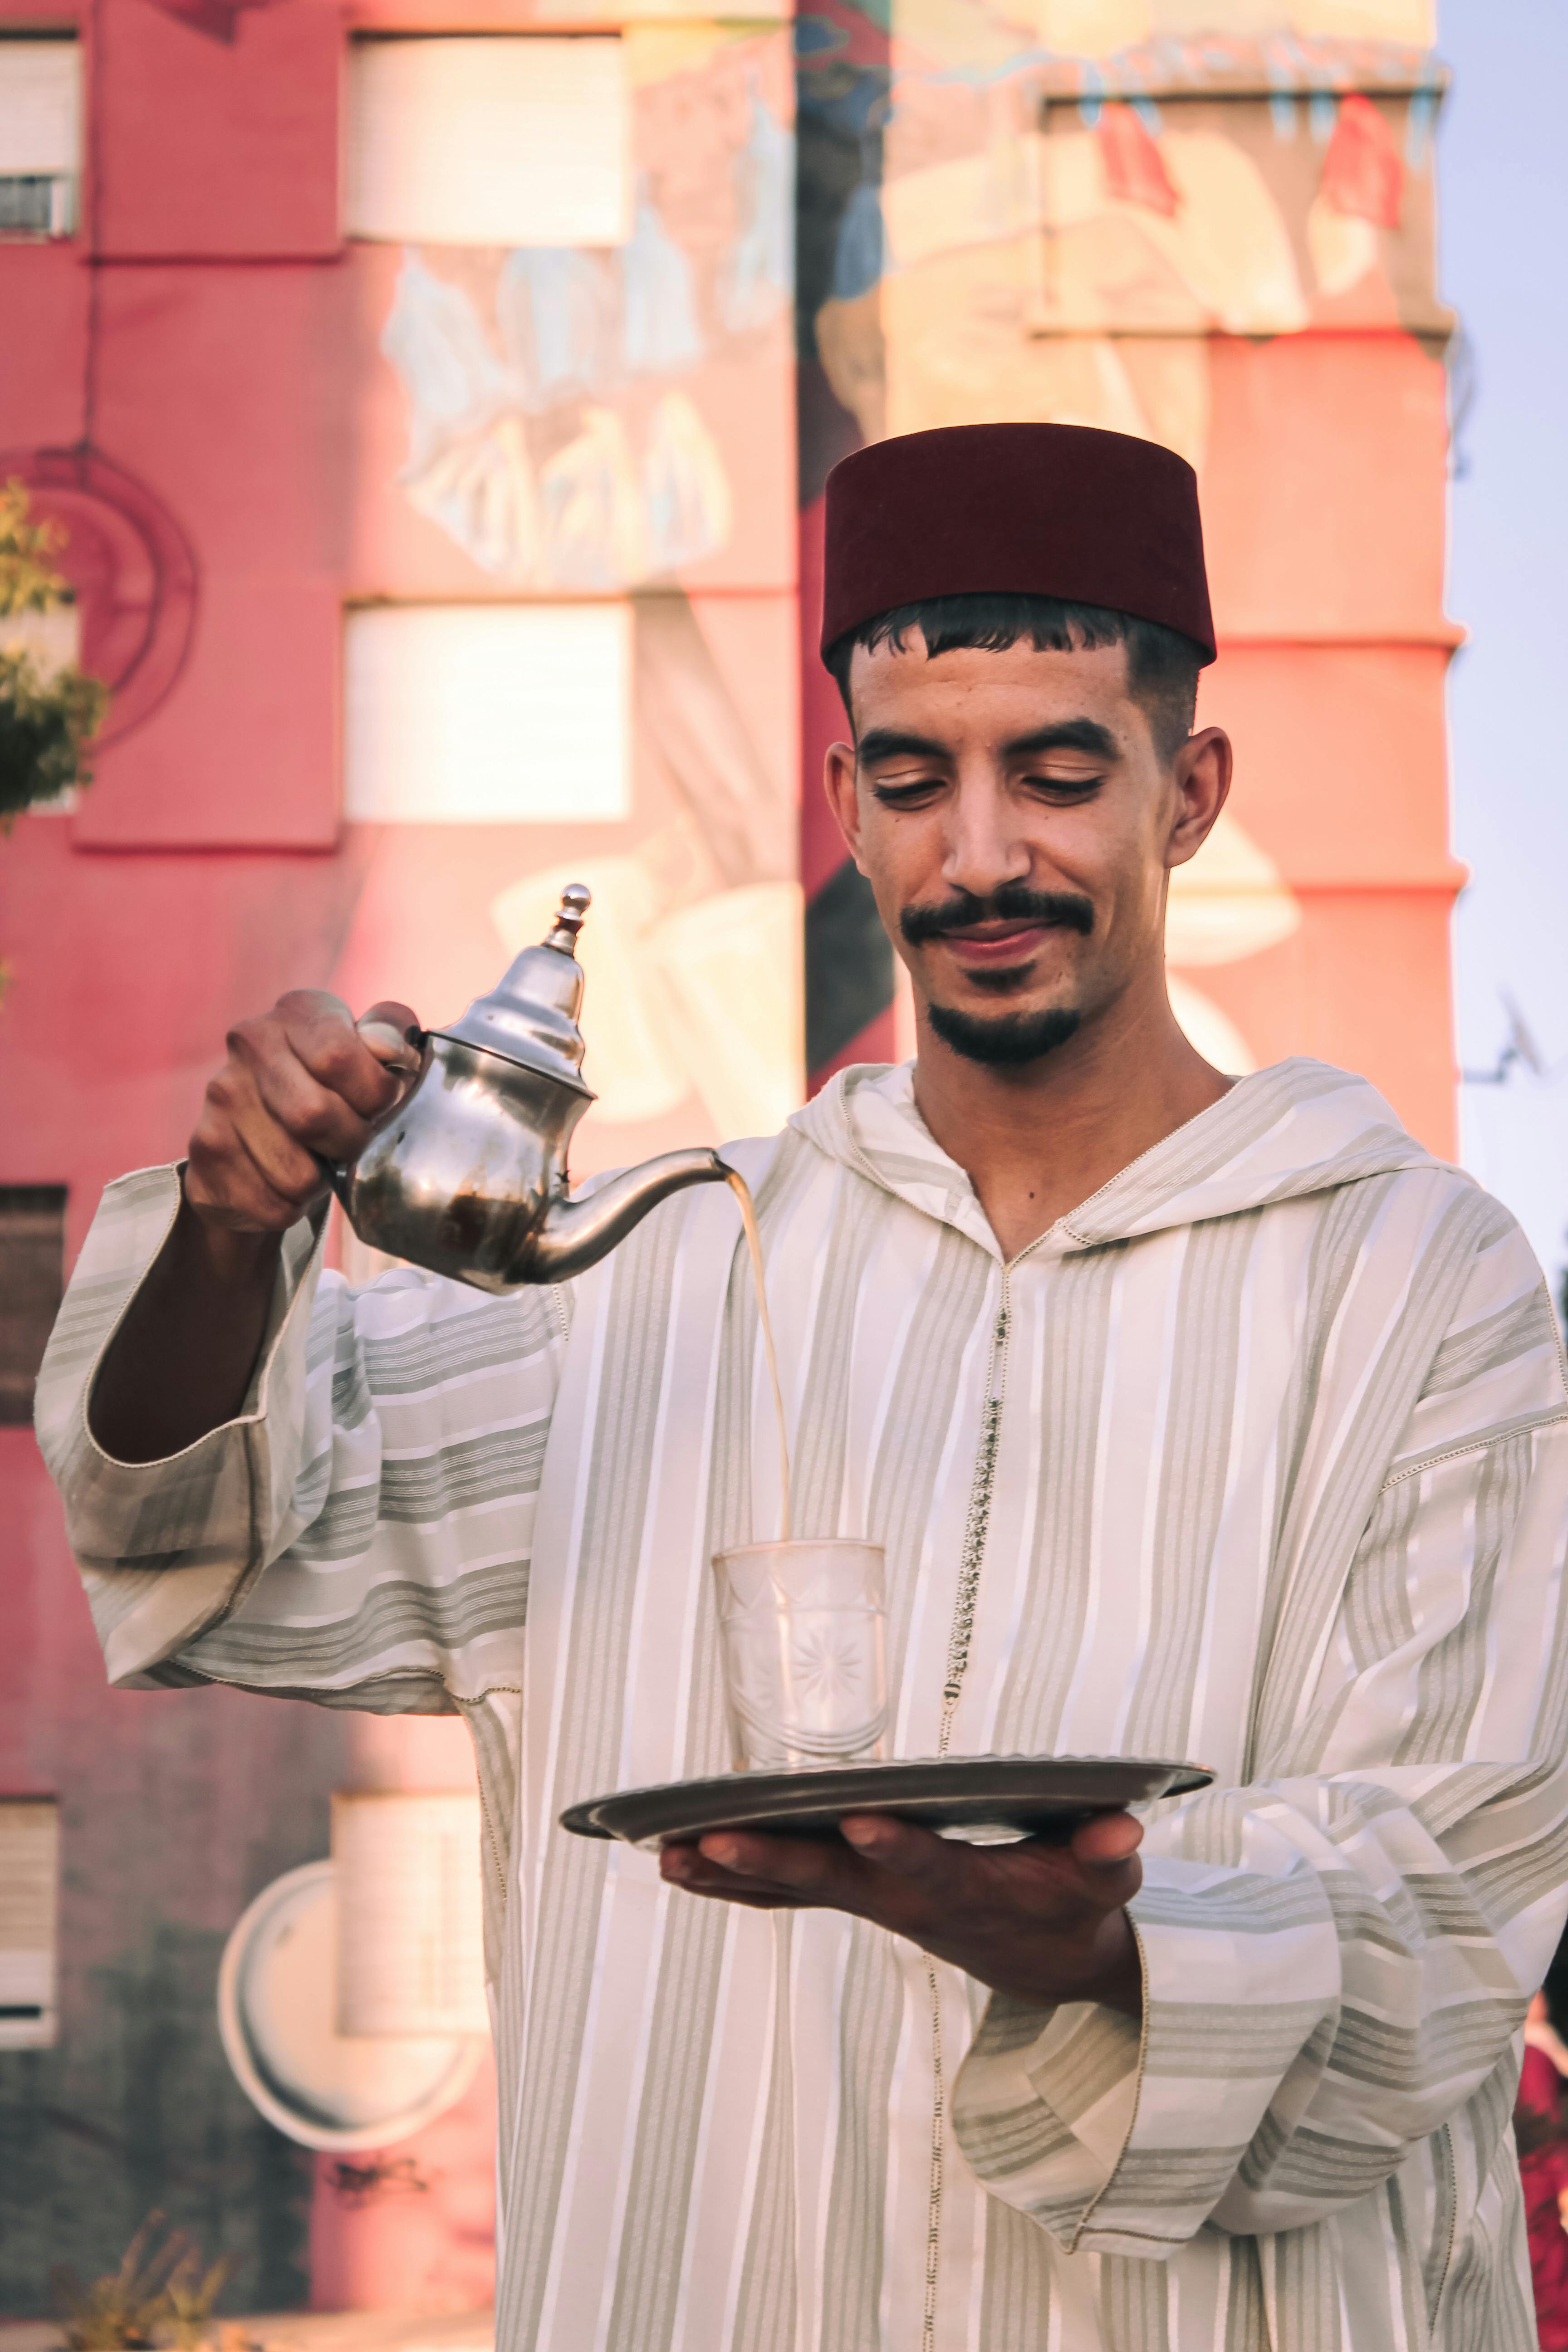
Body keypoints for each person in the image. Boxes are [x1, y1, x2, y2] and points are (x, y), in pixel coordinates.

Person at [39, 422, 1568, 2350]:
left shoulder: (1415, 1285)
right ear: (847, 797)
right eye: (919, 780)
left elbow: (1453, 1895)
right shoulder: (665, 1273)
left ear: (1189, 796)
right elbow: (220, 1537)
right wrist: (234, 1221)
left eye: (1059, 773)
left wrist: (1108, 1943)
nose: (983, 854)